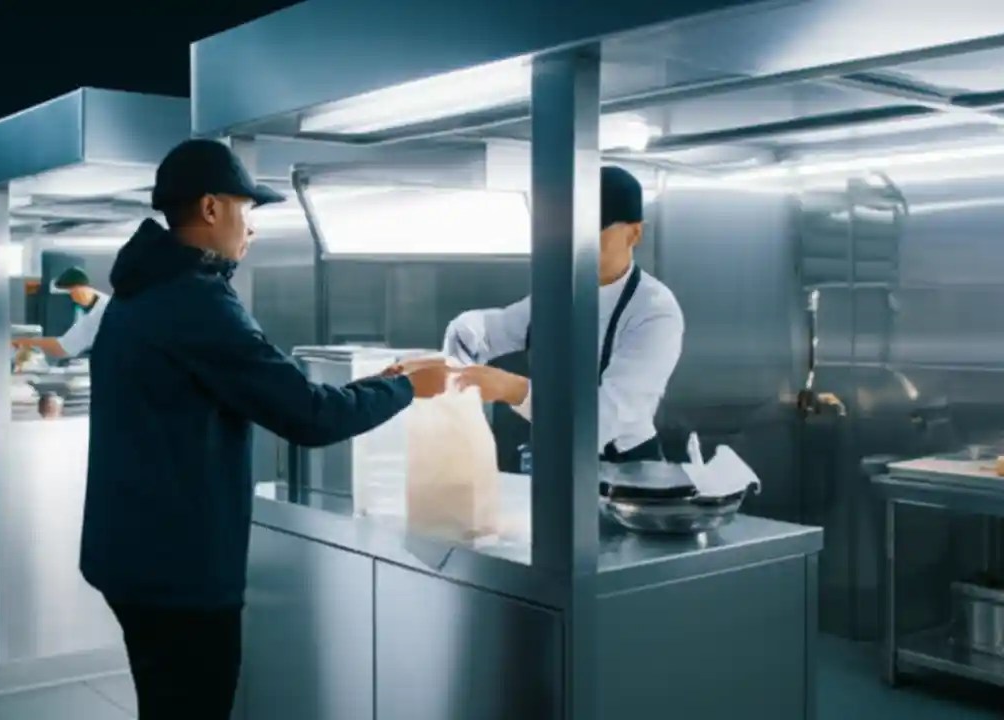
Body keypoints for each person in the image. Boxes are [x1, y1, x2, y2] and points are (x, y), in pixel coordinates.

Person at [80, 139, 449, 720]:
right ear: (210, 209)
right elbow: (309, 415)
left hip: (131, 553)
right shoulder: (194, 302)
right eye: (245, 210)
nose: (250, 229)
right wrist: (405, 388)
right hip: (178, 570)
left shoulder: (138, 293)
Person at [446, 165, 687, 463]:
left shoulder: (654, 310)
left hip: (627, 473)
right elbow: (490, 329)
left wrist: (512, 388)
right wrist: (461, 349)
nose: (577, 244)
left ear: (634, 233)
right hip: (558, 462)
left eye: (592, 233)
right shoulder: (559, 295)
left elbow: (603, 420)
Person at [12, 267, 110, 358]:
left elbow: (62, 348)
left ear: (79, 287)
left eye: (71, 292)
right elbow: (65, 345)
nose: (73, 298)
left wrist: (24, 342)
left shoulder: (103, 311)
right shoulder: (88, 310)